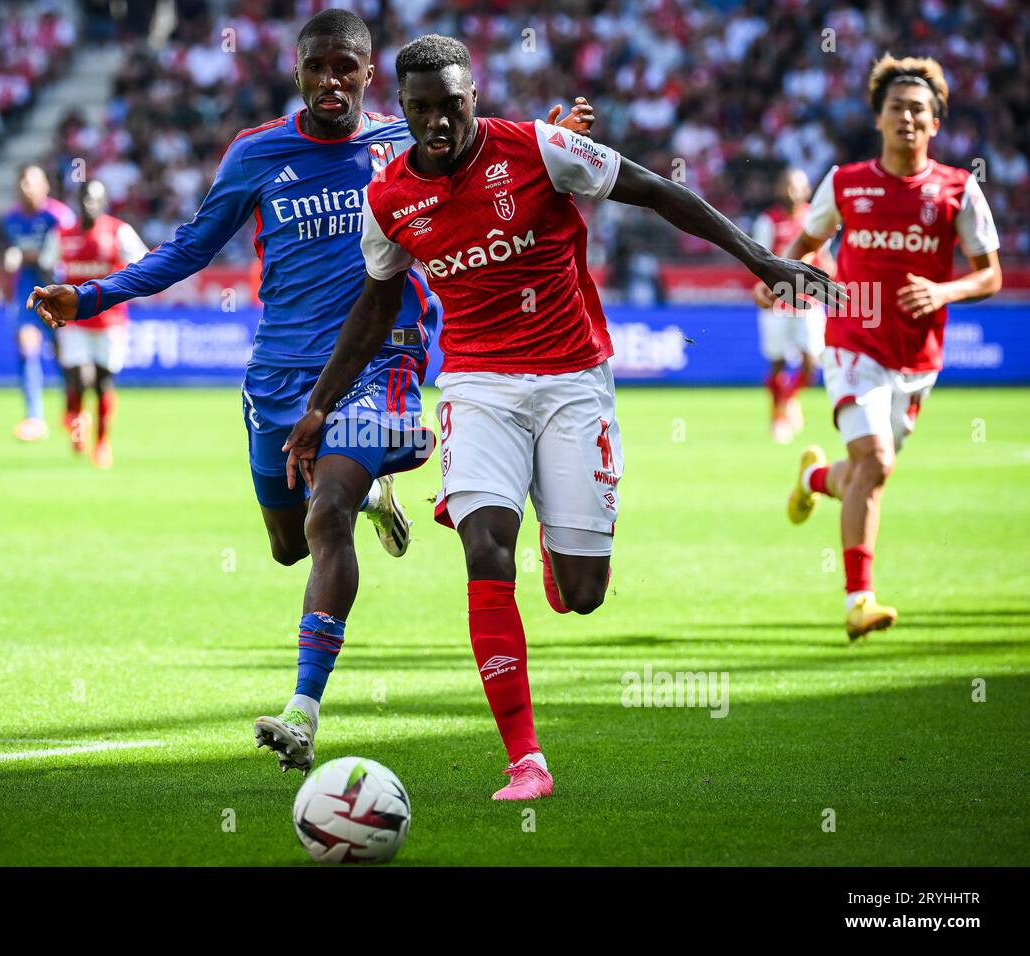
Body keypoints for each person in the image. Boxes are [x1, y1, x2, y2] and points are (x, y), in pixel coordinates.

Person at [28, 9, 595, 775]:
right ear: (297, 71)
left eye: (347, 67)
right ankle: (375, 488)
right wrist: (94, 297)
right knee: (289, 546)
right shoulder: (258, 153)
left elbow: (489, 151)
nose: (333, 81)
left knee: (324, 511)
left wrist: (547, 140)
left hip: (380, 358)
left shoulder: (404, 138)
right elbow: (192, 246)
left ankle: (303, 709)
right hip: (278, 377)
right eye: (318, 67)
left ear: (369, 74)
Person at [283, 34, 840, 800]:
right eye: (421, 111)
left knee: (580, 593)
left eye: (452, 107)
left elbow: (656, 190)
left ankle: (563, 538)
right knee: (485, 552)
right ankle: (525, 761)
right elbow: (376, 305)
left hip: (574, 379)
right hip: (478, 385)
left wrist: (760, 260)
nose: (438, 125)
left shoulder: (542, 149)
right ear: (403, 109)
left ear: (474, 96)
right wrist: (319, 407)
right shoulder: (389, 200)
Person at [779, 55, 1001, 639]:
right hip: (853, 341)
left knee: (860, 472)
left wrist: (944, 290)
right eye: (897, 108)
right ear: (878, 118)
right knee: (876, 464)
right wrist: (772, 280)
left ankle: (812, 481)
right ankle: (859, 599)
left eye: (919, 111)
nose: (907, 118)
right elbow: (801, 248)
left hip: (917, 360)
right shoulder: (846, 183)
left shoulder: (958, 190)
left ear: (935, 124)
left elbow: (991, 275)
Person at [56, 180, 148, 468]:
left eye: (95, 199)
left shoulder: (119, 231)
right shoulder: (61, 234)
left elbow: (145, 263)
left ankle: (102, 442)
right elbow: (48, 265)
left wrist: (124, 288)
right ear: (78, 200)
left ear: (104, 202)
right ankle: (76, 418)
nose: (89, 205)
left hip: (111, 321)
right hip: (75, 321)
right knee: (80, 377)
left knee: (103, 381)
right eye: (85, 198)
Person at [751, 167, 828, 443]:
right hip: (777, 303)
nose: (791, 190)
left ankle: (789, 400)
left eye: (797, 185)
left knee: (811, 363)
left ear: (807, 189)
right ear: (778, 189)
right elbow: (757, 258)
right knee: (778, 363)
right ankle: (777, 416)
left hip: (808, 303)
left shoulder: (815, 216)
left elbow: (824, 258)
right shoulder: (768, 220)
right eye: (786, 185)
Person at [2, 164, 73, 441]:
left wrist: (25, 255)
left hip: (58, 293)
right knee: (26, 347)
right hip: (26, 294)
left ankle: (73, 411)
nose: (25, 187)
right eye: (22, 181)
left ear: (45, 186)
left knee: (65, 356)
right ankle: (34, 417)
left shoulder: (59, 217)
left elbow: (65, 254)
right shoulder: (10, 219)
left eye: (31, 182)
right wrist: (5, 287)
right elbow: (6, 257)